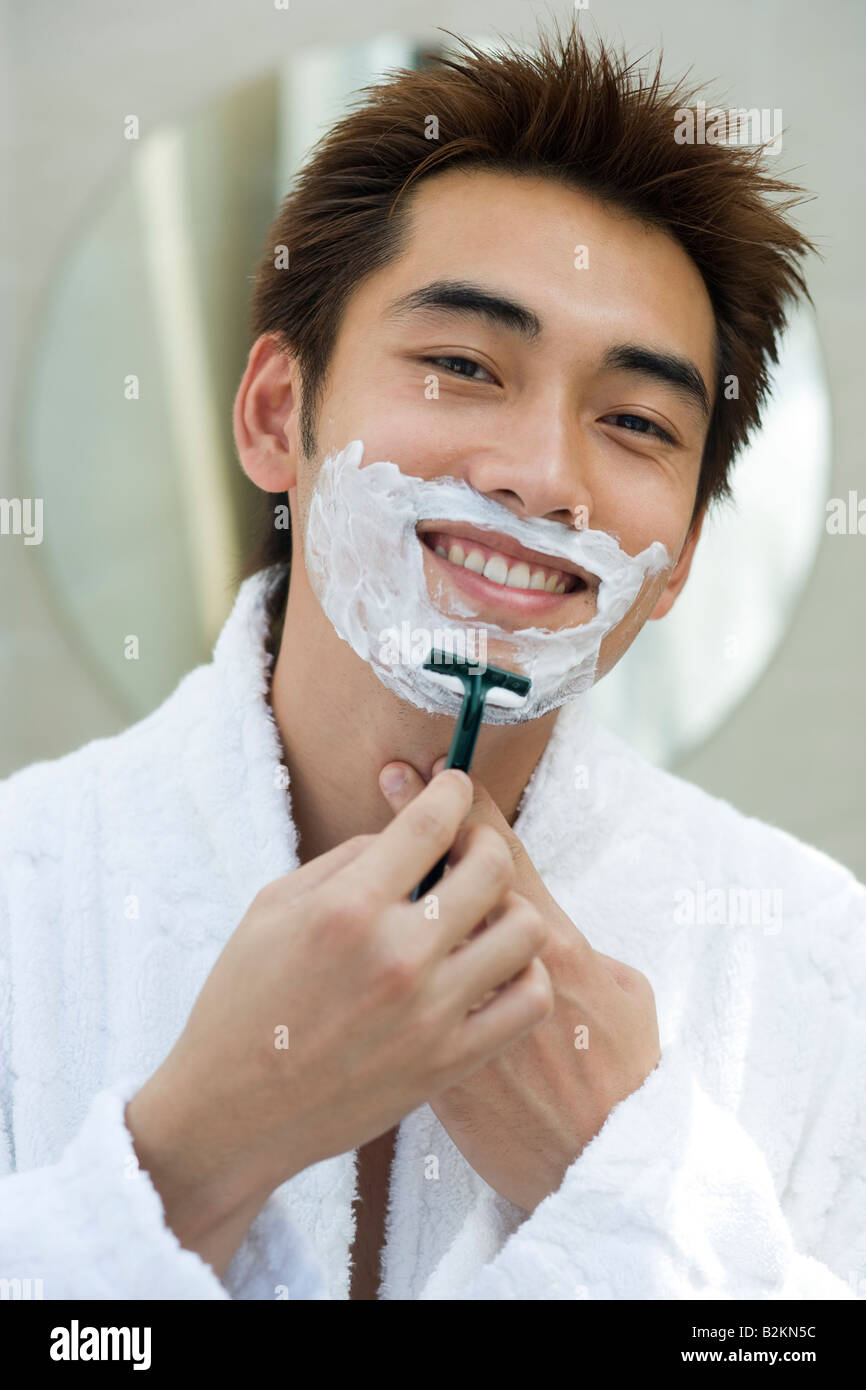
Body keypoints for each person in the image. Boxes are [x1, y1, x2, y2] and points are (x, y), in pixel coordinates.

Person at [1, 22, 863, 1302]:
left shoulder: (818, 967)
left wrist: (627, 1176)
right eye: (461, 364)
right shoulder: (26, 897)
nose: (542, 474)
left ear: (676, 556)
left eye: (633, 422)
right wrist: (191, 1159)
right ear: (276, 416)